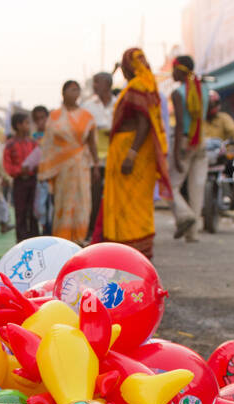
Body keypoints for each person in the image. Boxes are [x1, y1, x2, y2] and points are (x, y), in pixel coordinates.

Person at [100, 47, 171, 257]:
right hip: (132, 151)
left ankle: (132, 252)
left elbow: (144, 123)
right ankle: (130, 252)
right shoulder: (143, 85)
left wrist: (131, 154)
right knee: (132, 203)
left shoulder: (138, 86)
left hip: (133, 152)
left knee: (131, 205)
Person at [38, 80, 98, 242]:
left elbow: (92, 142)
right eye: (72, 90)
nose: (75, 93)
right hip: (61, 170)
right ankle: (62, 240)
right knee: (63, 204)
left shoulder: (86, 116)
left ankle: (79, 239)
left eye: (77, 90)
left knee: (83, 204)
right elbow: (48, 145)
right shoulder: (55, 116)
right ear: (63, 93)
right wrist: (47, 168)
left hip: (81, 166)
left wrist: (96, 165)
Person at [169, 55, 208, 242]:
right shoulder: (205, 89)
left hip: (185, 141)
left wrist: (176, 153)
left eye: (174, 69)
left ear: (180, 70)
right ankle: (193, 234)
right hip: (201, 141)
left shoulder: (179, 93)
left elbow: (178, 126)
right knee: (197, 187)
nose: (172, 73)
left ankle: (185, 216)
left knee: (171, 186)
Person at [83, 72, 117, 238]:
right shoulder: (88, 107)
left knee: (113, 198)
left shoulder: (119, 104)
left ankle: (112, 232)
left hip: (115, 158)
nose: (94, 85)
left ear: (108, 84)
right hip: (93, 160)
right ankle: (92, 232)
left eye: (97, 82)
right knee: (94, 196)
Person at [4, 110, 40, 241]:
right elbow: (8, 166)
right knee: (21, 212)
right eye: (26, 123)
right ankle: (21, 242)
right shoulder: (10, 144)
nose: (28, 126)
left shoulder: (33, 143)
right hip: (20, 182)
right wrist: (20, 171)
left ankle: (36, 239)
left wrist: (36, 167)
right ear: (18, 125)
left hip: (33, 180)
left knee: (34, 212)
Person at [30, 105, 53, 233]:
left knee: (51, 208)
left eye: (43, 118)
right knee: (39, 208)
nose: (40, 122)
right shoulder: (33, 137)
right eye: (37, 119)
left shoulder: (53, 134)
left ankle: (49, 231)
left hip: (53, 175)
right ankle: (44, 227)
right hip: (40, 177)